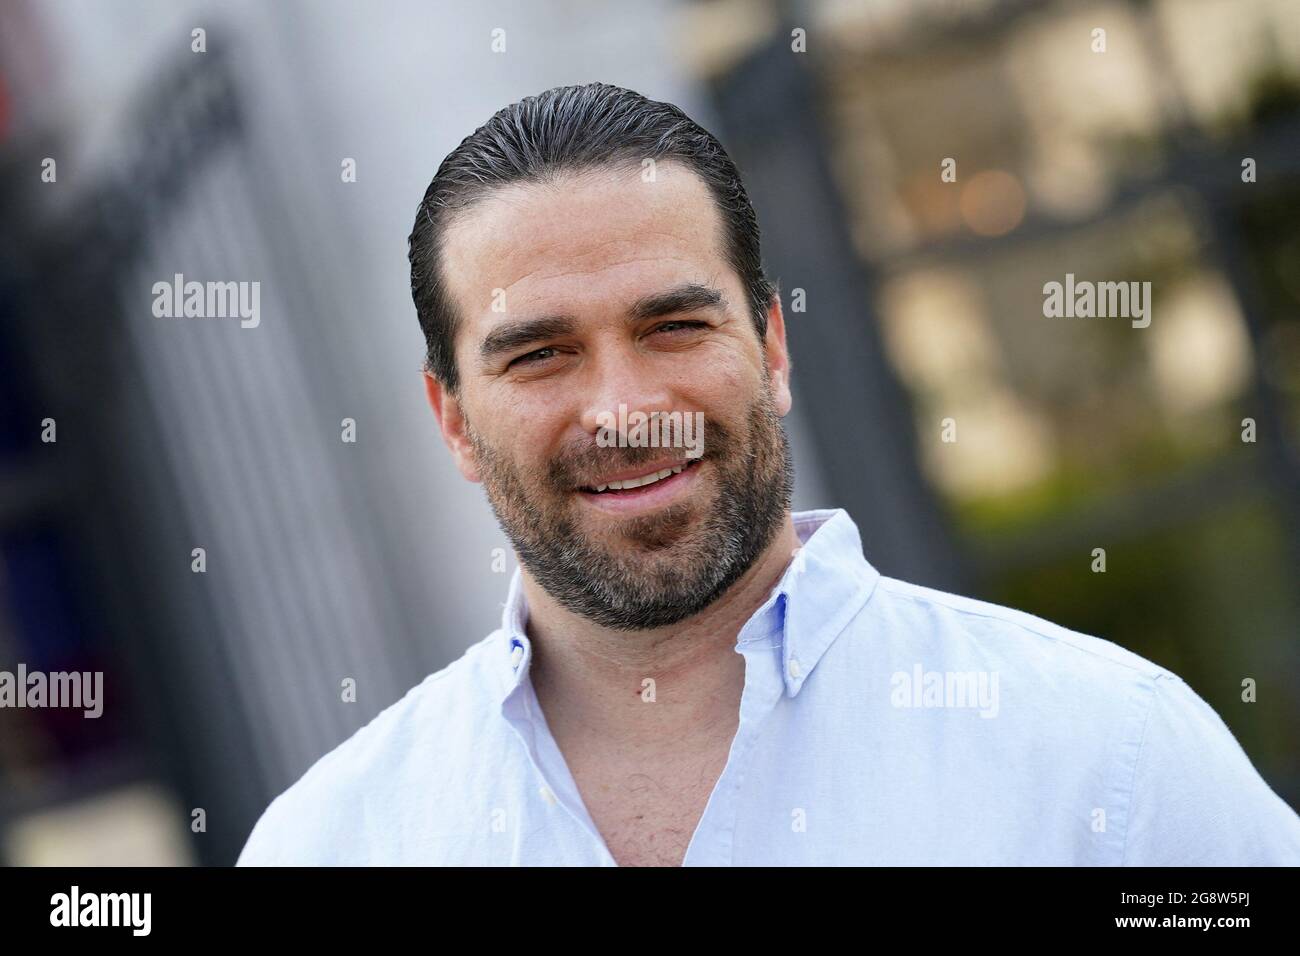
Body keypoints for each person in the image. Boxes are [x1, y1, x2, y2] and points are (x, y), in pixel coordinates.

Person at [237, 83, 1300, 866]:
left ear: (772, 349)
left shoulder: (1102, 753)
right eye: (539, 353)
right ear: (454, 420)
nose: (623, 408)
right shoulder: (331, 843)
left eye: (672, 324)